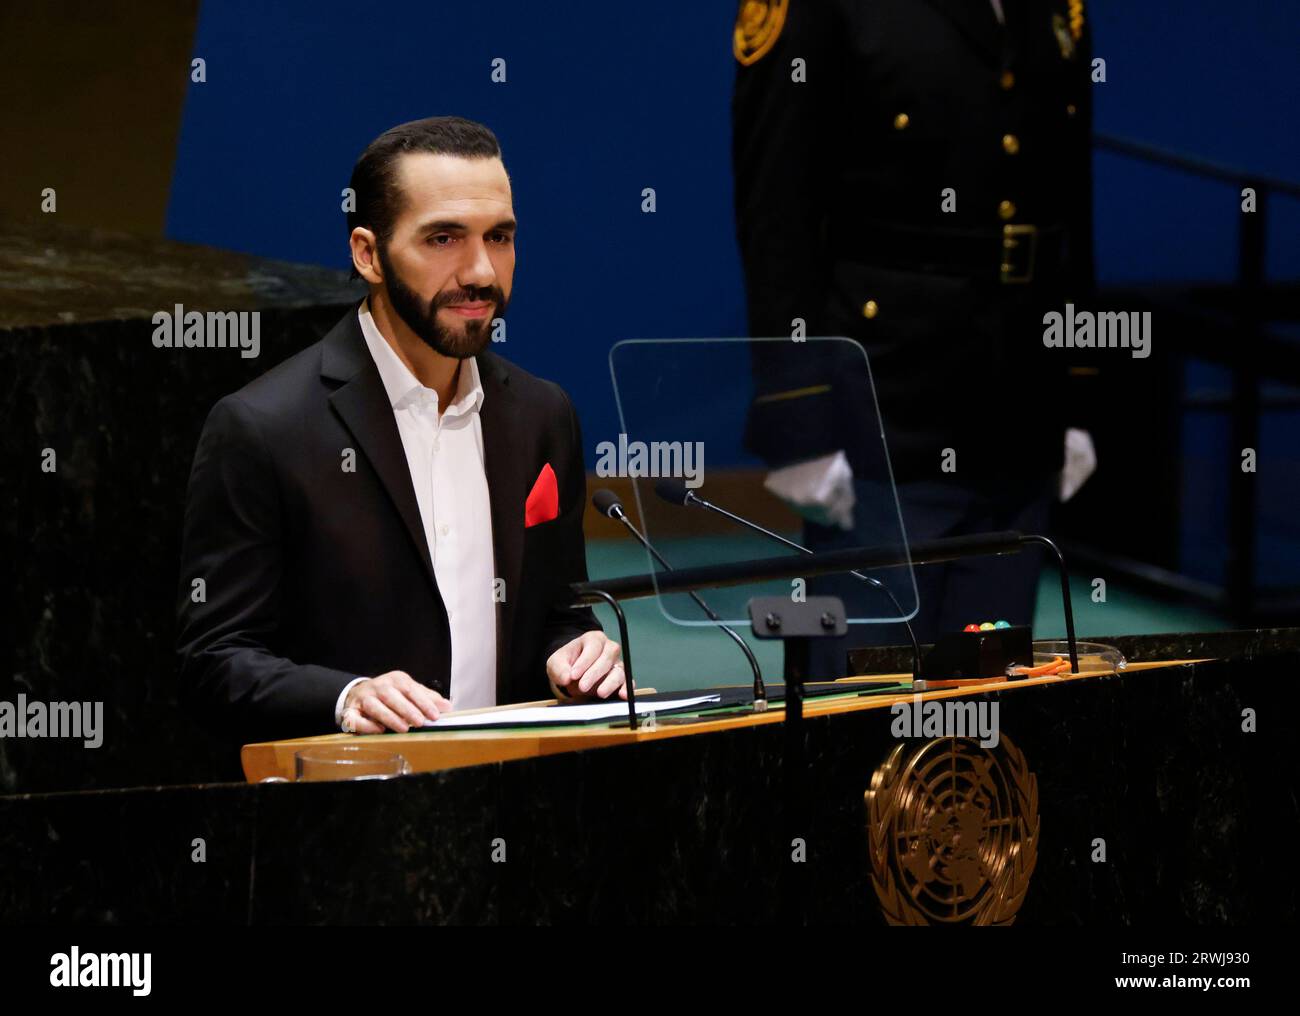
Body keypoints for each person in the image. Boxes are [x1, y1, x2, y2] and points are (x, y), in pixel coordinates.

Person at [177, 116, 625, 741]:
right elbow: (214, 661)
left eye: (499, 236)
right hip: (351, 812)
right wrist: (346, 696)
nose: (481, 272)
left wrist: (578, 652)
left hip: (513, 804)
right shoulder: (261, 427)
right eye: (443, 239)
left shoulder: (543, 414)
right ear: (368, 254)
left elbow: (559, 613)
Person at [732, 0, 1097, 672]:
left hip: (1019, 405)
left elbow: (1069, 202)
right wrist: (798, 415)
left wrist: (1075, 391)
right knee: (860, 700)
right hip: (879, 412)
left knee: (992, 702)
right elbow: (776, 210)